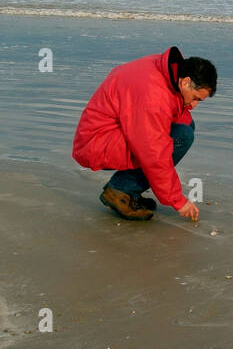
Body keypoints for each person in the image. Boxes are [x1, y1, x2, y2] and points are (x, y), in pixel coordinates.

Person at [72, 46, 217, 221]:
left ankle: (129, 189)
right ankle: (121, 191)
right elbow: (154, 153)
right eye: (195, 98)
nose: (194, 105)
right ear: (185, 81)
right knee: (181, 136)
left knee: (186, 124)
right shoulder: (153, 96)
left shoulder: (165, 68)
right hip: (96, 143)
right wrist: (178, 200)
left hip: (106, 132)